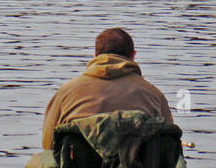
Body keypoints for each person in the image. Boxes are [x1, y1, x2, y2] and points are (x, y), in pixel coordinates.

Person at [41, 27, 173, 151]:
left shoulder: (65, 93)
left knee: (36, 163)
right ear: (133, 56)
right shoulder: (154, 95)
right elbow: (169, 146)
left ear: (95, 55)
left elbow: (48, 144)